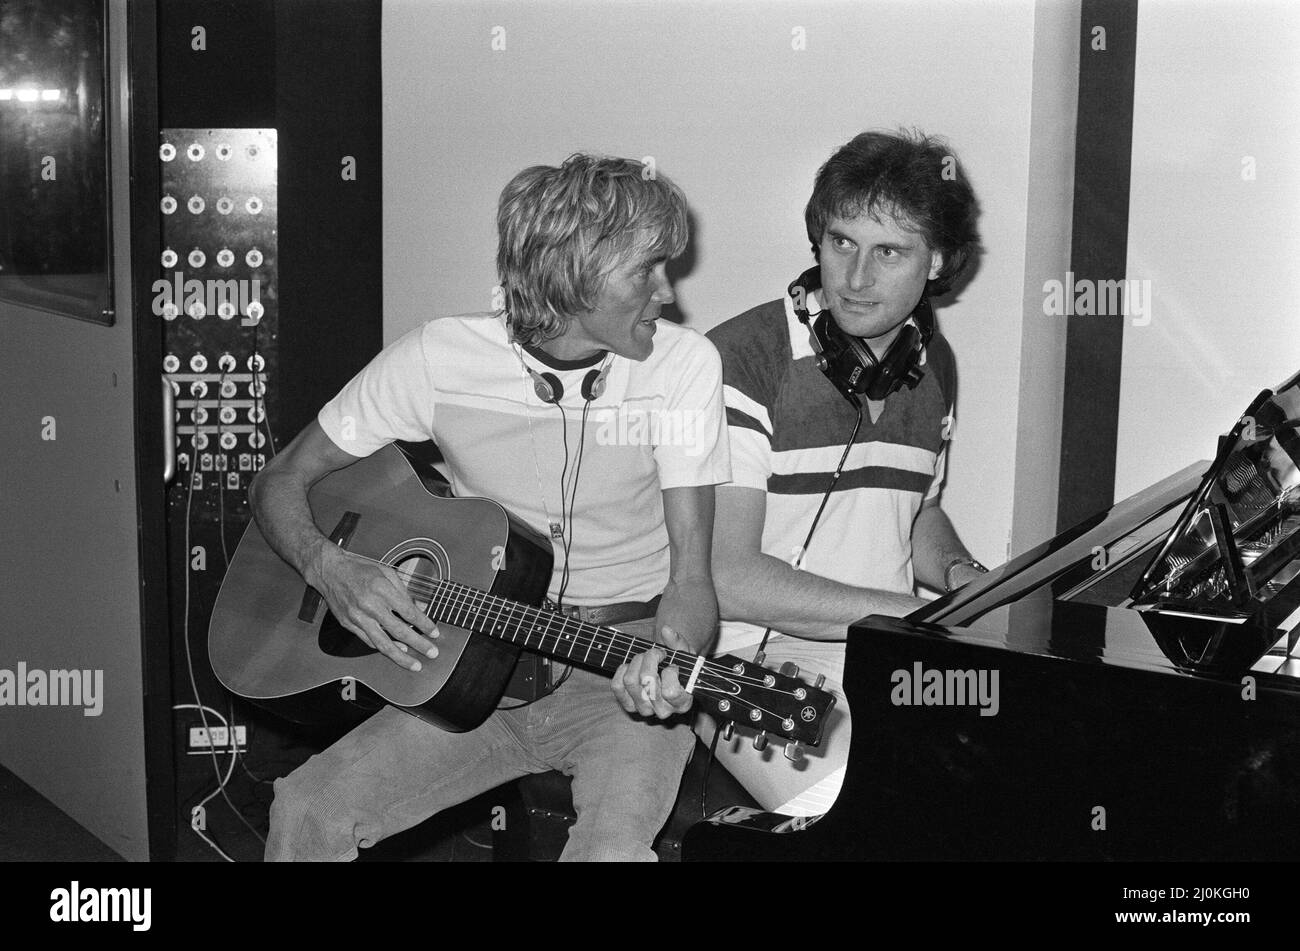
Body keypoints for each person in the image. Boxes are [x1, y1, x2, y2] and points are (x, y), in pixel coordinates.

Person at [252, 154, 730, 861]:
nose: (669, 292)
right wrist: (330, 567)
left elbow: (692, 578)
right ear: (575, 273)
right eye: (648, 269)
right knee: (307, 810)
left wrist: (670, 658)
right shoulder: (437, 358)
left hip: (617, 677)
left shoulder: (684, 365)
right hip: (467, 665)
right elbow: (279, 480)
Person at [700, 130, 983, 815]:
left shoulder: (933, 365)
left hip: (883, 652)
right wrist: (914, 619)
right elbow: (728, 579)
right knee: (882, 813)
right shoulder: (740, 358)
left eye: (888, 251)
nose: (855, 278)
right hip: (750, 670)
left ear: (937, 260)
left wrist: (966, 579)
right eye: (841, 243)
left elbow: (914, 514)